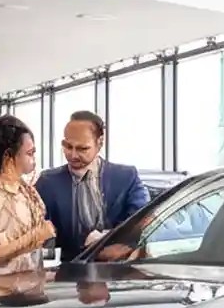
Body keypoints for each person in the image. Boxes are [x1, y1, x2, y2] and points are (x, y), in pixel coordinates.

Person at [34, 110, 150, 261]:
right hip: (70, 274)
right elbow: (37, 234)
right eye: (68, 146)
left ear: (100, 143)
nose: (73, 155)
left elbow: (143, 219)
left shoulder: (126, 177)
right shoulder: (48, 182)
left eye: (82, 148)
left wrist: (110, 243)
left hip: (118, 272)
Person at [0, 114, 55, 274]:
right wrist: (31, 238)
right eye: (29, 153)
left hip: (33, 284)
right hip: (7, 290)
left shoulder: (27, 190)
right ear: (8, 156)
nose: (34, 159)